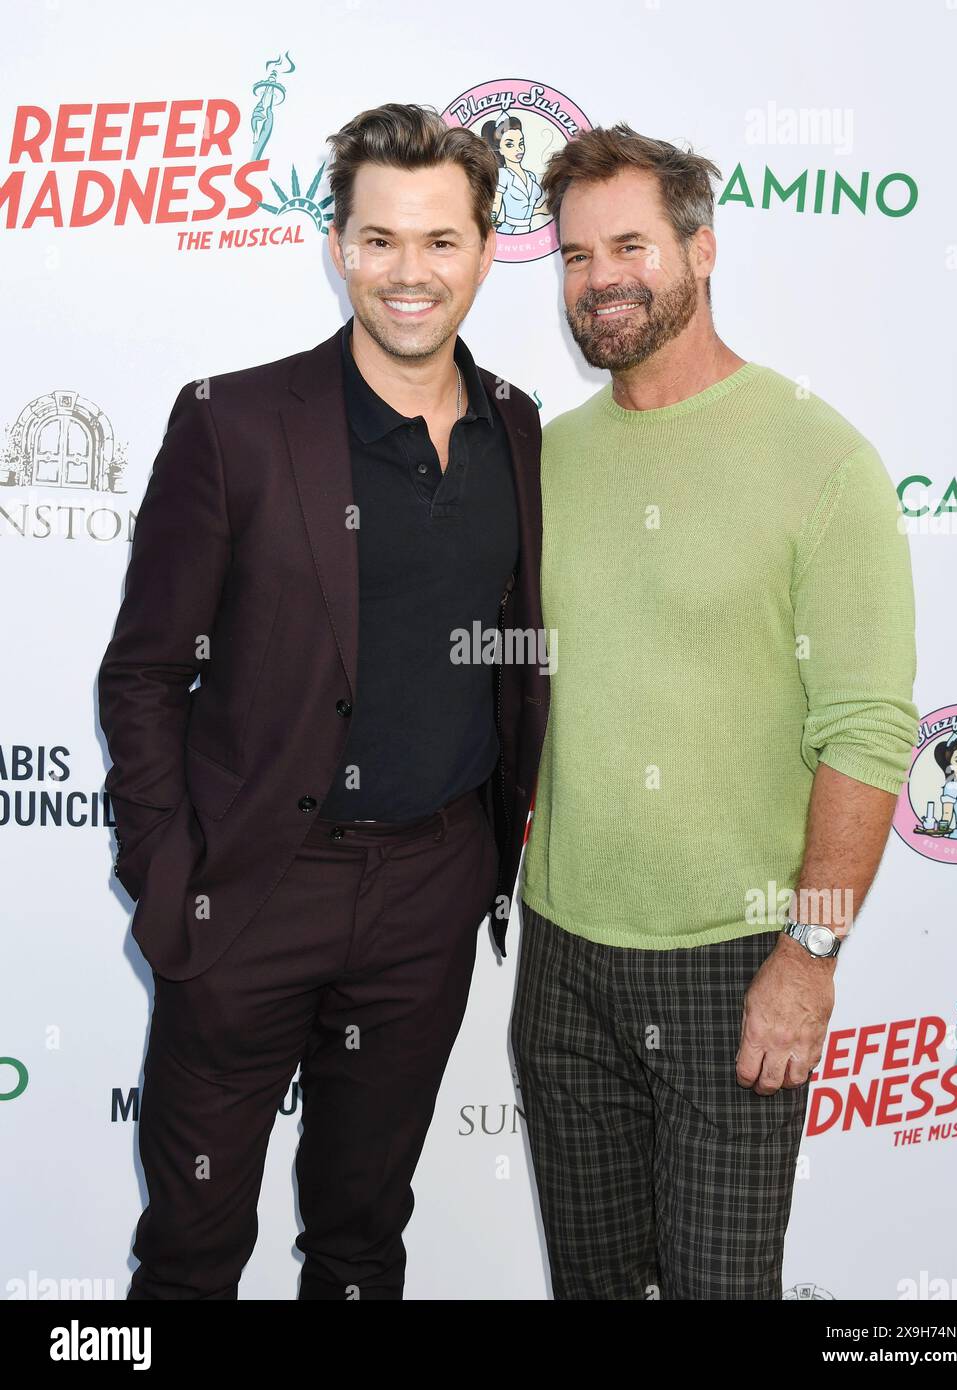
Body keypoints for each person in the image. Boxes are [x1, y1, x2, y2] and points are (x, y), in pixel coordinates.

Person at [98, 102, 549, 1300]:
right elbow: (144, 672)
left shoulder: (518, 428)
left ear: (484, 245)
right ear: (336, 244)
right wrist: (167, 873)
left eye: (441, 241)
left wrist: (482, 864)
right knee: (191, 1251)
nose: (411, 273)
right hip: (250, 893)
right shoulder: (234, 422)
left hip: (427, 895)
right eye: (381, 239)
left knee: (360, 1243)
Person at [512, 123, 919, 1299]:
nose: (601, 281)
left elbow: (865, 730)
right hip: (563, 959)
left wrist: (810, 952)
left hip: (736, 966)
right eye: (577, 258)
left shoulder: (819, 458)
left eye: (629, 244)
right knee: (595, 1287)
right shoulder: (545, 459)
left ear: (701, 249)